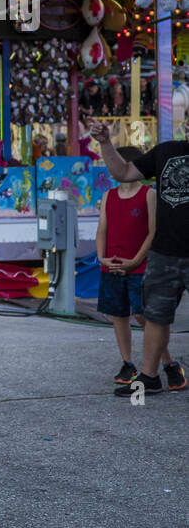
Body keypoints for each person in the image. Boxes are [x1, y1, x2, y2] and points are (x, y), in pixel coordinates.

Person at [88, 120, 189, 396]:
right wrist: (106, 143)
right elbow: (123, 171)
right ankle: (149, 377)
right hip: (165, 253)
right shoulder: (166, 151)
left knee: (152, 314)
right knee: (155, 315)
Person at [97, 148, 178, 387]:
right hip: (111, 264)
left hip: (140, 266)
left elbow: (153, 232)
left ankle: (167, 362)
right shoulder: (108, 195)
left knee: (145, 315)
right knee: (118, 314)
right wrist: (102, 257)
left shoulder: (148, 194)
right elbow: (102, 229)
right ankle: (127, 362)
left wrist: (135, 261)